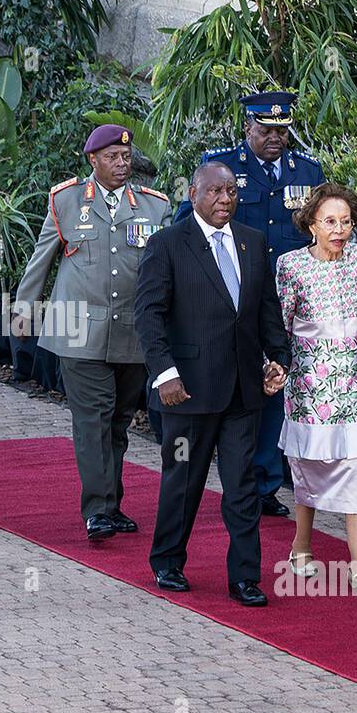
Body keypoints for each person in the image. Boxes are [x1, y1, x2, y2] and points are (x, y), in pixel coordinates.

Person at [135, 161, 290, 606]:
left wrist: (278, 359)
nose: (225, 200)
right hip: (188, 391)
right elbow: (148, 315)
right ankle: (167, 560)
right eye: (215, 192)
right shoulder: (167, 244)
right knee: (184, 479)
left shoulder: (252, 242)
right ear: (193, 194)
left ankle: (245, 577)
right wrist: (164, 374)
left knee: (242, 484)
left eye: (231, 192)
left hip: (243, 392)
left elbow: (266, 311)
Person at [13, 124, 172, 541]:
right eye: (112, 158)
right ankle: (98, 508)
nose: (122, 164)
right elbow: (41, 259)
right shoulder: (66, 201)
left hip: (132, 332)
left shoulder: (154, 207)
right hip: (77, 331)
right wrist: (23, 310)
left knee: (119, 420)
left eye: (125, 157)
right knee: (93, 419)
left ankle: (112, 504)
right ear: (93, 160)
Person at [174, 91, 326, 519]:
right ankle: (227, 477)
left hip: (288, 304)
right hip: (232, 300)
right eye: (265, 130)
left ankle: (263, 484)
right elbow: (187, 228)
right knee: (235, 388)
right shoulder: (223, 169)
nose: (275, 138)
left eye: (282, 131)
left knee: (275, 389)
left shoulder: (307, 171)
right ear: (247, 129)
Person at [275, 183, 357, 596]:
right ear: (311, 224)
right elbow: (280, 328)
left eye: (346, 222)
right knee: (308, 465)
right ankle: (301, 547)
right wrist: (274, 371)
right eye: (330, 222)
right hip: (309, 384)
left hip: (356, 383)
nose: (340, 229)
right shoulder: (291, 266)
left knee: (354, 470)